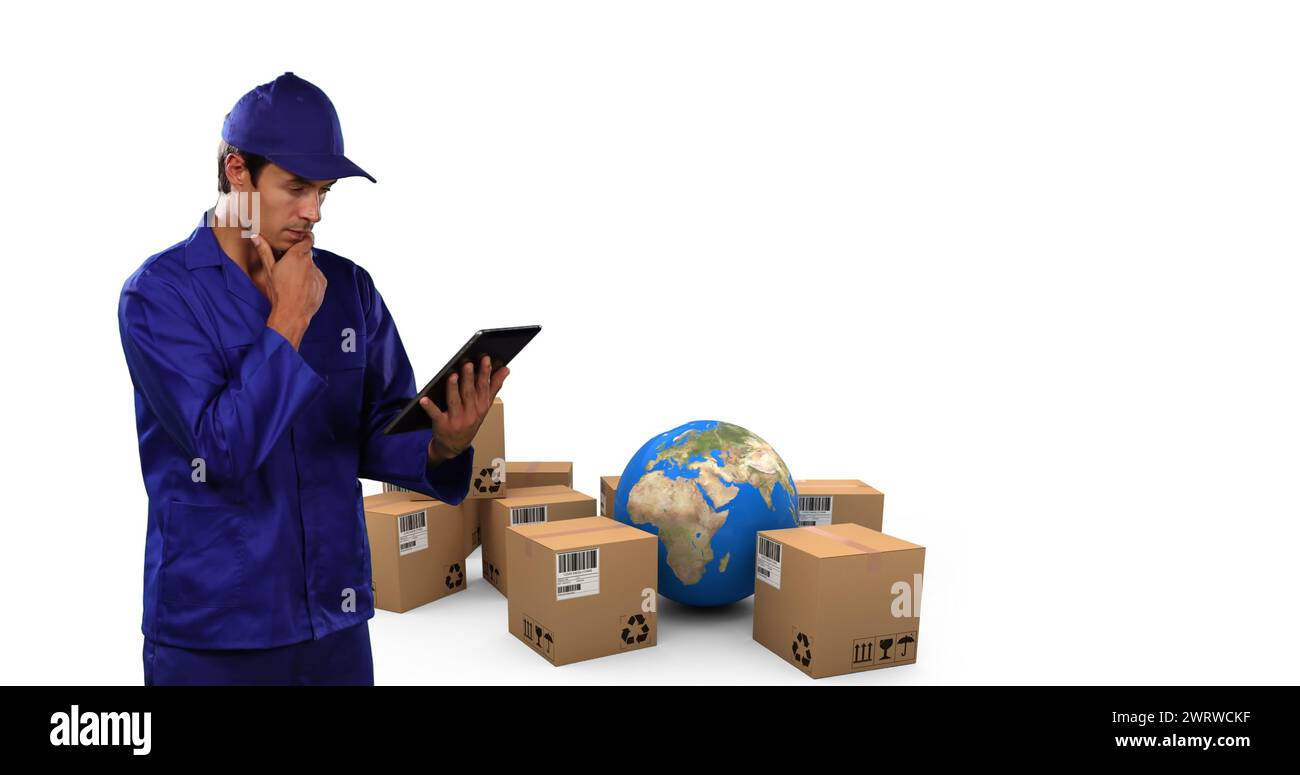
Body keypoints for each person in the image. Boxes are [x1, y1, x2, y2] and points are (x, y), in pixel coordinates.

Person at [117, 72, 508, 685]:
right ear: (237, 171)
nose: (314, 212)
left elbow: (375, 429)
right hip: (214, 633)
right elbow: (223, 449)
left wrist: (444, 444)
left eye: (323, 191)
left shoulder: (349, 288)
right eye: (296, 187)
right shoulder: (160, 295)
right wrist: (290, 321)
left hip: (335, 623)